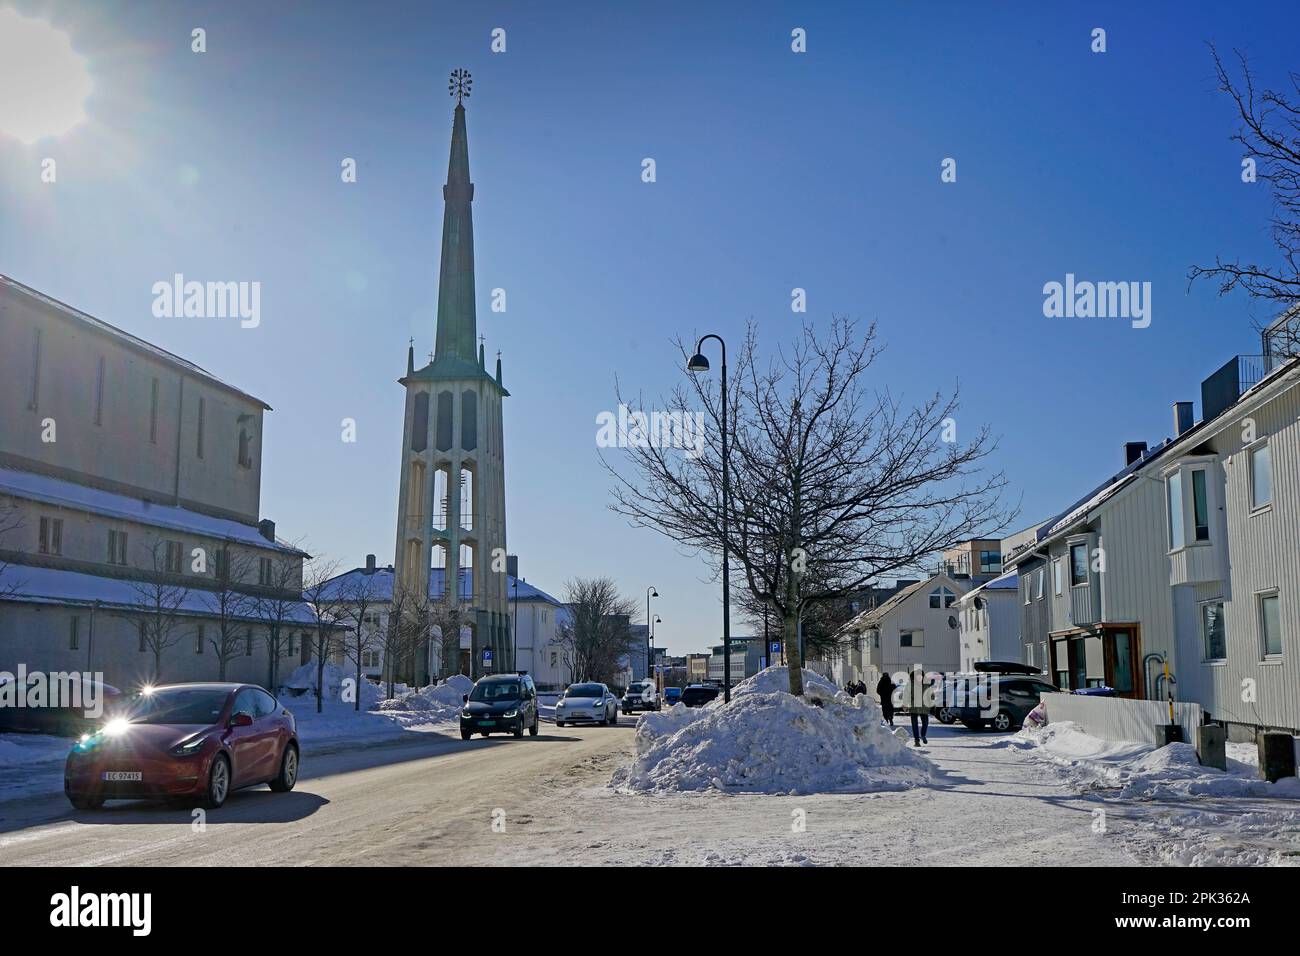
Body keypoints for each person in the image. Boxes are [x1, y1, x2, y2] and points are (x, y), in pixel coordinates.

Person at [906, 665, 929, 746]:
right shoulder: (912, 684)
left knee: (920, 723)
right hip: (919, 706)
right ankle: (920, 738)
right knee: (920, 723)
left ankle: (920, 737)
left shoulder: (924, 684)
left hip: (919, 706)